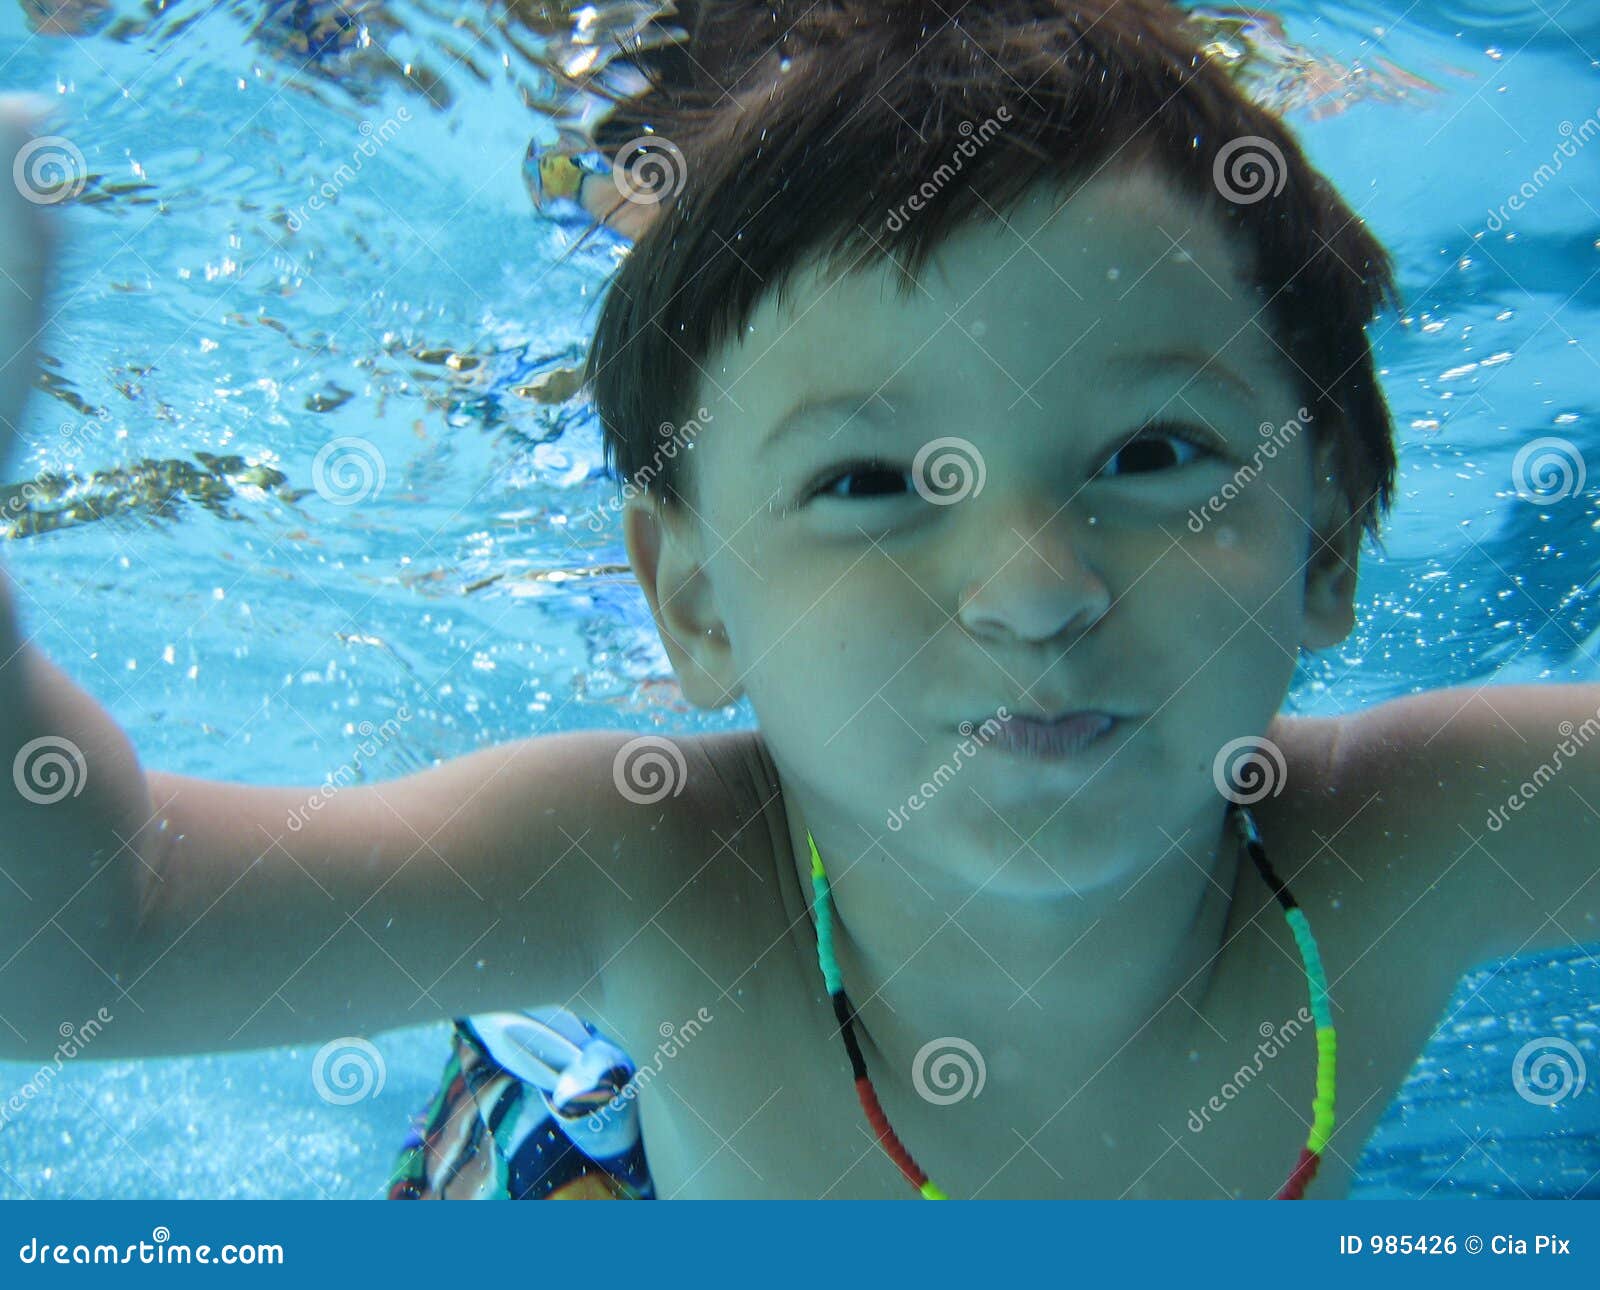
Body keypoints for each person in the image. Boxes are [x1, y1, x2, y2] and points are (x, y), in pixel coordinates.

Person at [2, 0, 1596, 1201]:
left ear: (1326, 544)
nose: (1035, 589)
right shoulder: (652, 876)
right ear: (695, 601)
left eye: (1153, 453)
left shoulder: (1422, 840)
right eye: (871, 479)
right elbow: (96, 945)